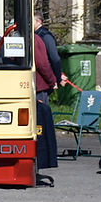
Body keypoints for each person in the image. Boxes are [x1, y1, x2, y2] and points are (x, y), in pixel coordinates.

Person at [34, 32, 59, 186]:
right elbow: (43, 63)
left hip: (32, 87)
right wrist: (52, 81)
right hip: (39, 89)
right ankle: (37, 165)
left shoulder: (17, 37)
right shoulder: (36, 39)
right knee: (40, 129)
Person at [34, 11, 66, 86]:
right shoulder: (36, 35)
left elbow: (54, 58)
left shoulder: (45, 36)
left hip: (45, 79)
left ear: (39, 21)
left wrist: (58, 77)